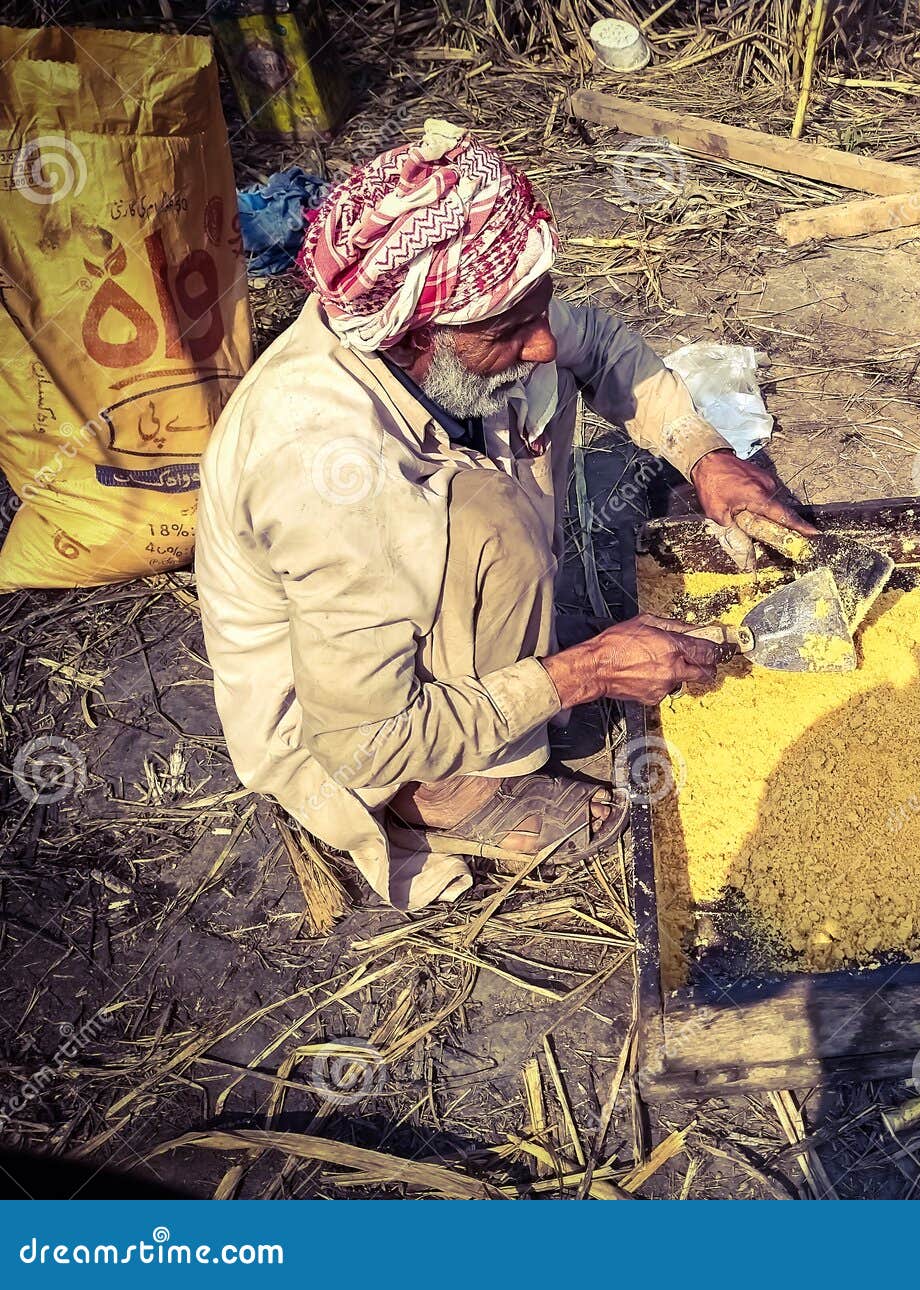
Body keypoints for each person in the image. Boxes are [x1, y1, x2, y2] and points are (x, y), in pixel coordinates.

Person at [194, 120, 814, 908]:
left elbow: (598, 342)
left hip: (405, 610)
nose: (543, 342)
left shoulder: (461, 322)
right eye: (510, 330)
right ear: (412, 339)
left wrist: (702, 454)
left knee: (507, 464)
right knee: (490, 520)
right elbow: (360, 741)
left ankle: (499, 689)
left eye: (538, 310)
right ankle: (442, 794)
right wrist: (588, 670)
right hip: (350, 731)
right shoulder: (328, 476)